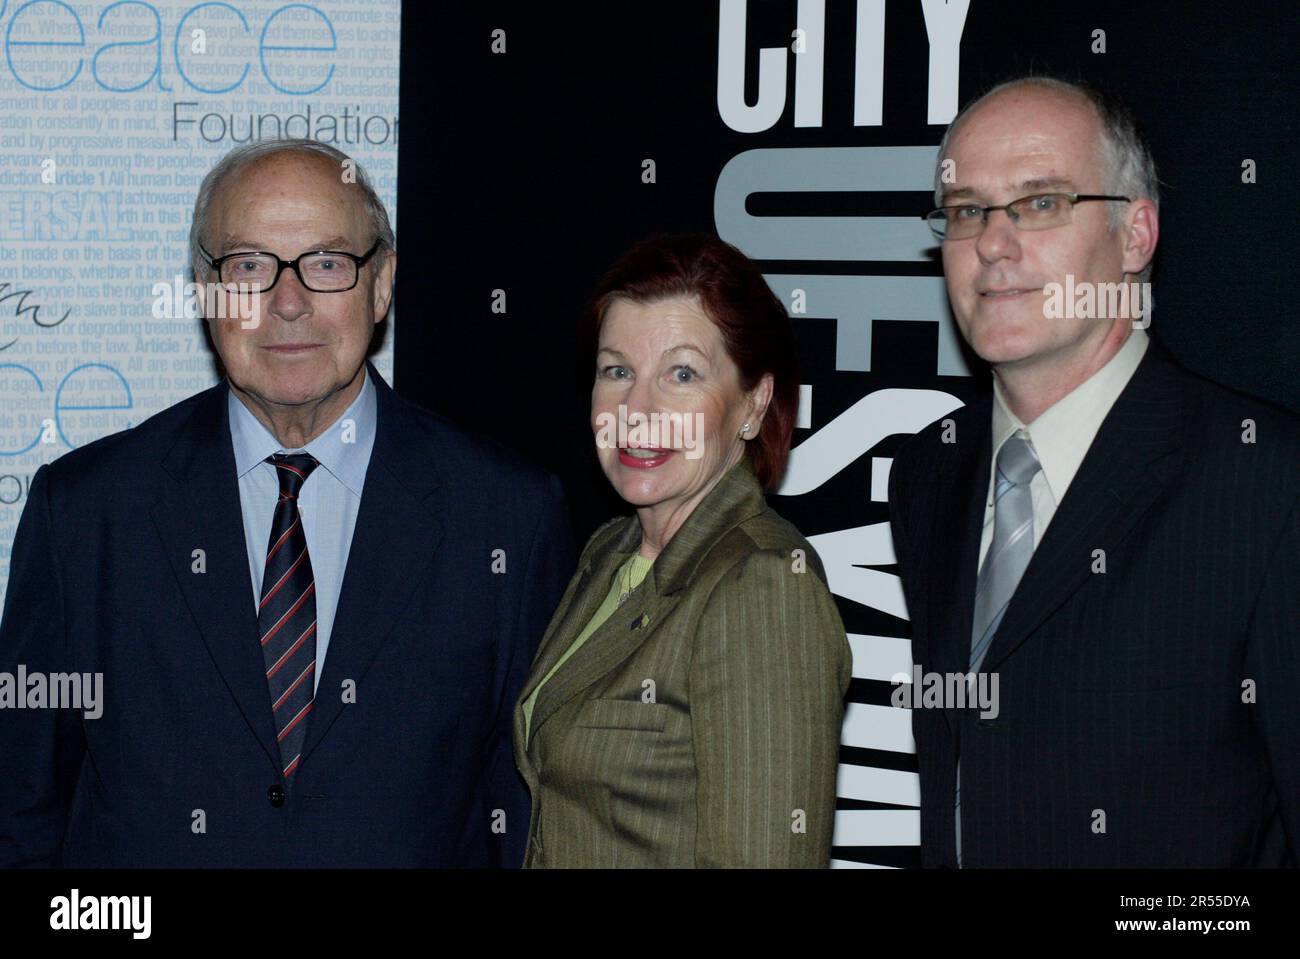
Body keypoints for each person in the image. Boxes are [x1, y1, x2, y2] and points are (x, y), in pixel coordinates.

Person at [0, 138, 573, 867]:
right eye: (249, 267)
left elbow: (531, 814)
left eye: (328, 263)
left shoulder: (506, 519)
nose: (289, 302)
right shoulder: (84, 513)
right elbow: (19, 813)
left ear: (383, 283)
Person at [891, 76, 1299, 867]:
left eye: (1041, 203)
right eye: (967, 209)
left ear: (1136, 234)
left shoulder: (1267, 483)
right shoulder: (927, 472)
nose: (993, 244)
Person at [513, 233, 852, 867]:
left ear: (753, 403)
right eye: (617, 371)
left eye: (682, 374)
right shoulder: (609, 552)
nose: (638, 410)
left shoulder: (762, 586)